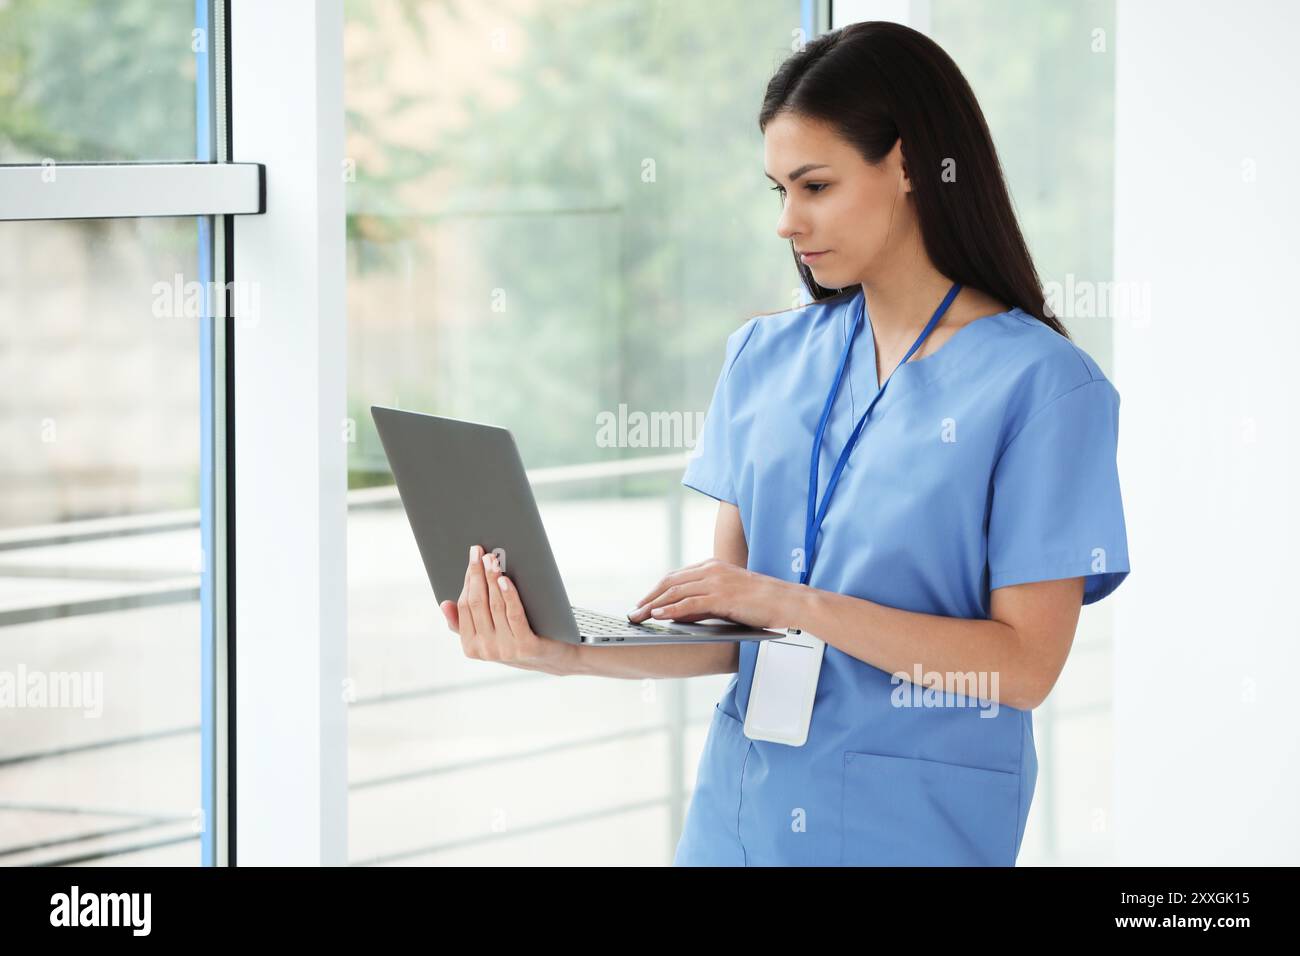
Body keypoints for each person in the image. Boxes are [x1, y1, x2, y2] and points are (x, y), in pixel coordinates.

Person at [439, 19, 1129, 866]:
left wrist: (796, 606)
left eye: (815, 185)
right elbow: (731, 625)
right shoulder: (763, 357)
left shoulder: (1046, 388)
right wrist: (568, 650)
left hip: (913, 826)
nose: (788, 222)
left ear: (909, 165)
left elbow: (1024, 667)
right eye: (778, 191)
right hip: (740, 814)